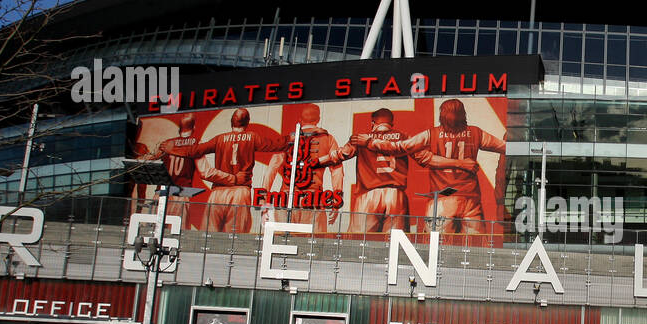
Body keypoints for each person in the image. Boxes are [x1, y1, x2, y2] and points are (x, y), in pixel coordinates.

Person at [354, 98, 507, 234]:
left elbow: (401, 147)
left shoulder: (431, 134)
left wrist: (370, 142)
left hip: (442, 199)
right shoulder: (476, 133)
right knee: (475, 247)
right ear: (463, 115)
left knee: (436, 248)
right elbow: (504, 147)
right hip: (471, 199)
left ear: (442, 115)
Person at [168, 108, 287, 233]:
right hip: (240, 192)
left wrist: (173, 149)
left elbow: (195, 150)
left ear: (231, 122)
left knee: (207, 237)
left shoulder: (219, 139)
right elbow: (275, 145)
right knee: (234, 239)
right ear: (247, 122)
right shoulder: (252, 137)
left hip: (218, 192)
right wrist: (291, 138)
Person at [261, 104, 344, 233]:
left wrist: (263, 201)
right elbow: (337, 171)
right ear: (318, 119)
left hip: (285, 197)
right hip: (313, 198)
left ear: (300, 119)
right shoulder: (328, 139)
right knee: (313, 247)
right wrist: (336, 201)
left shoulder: (288, 140)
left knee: (281, 244)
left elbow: (271, 169)